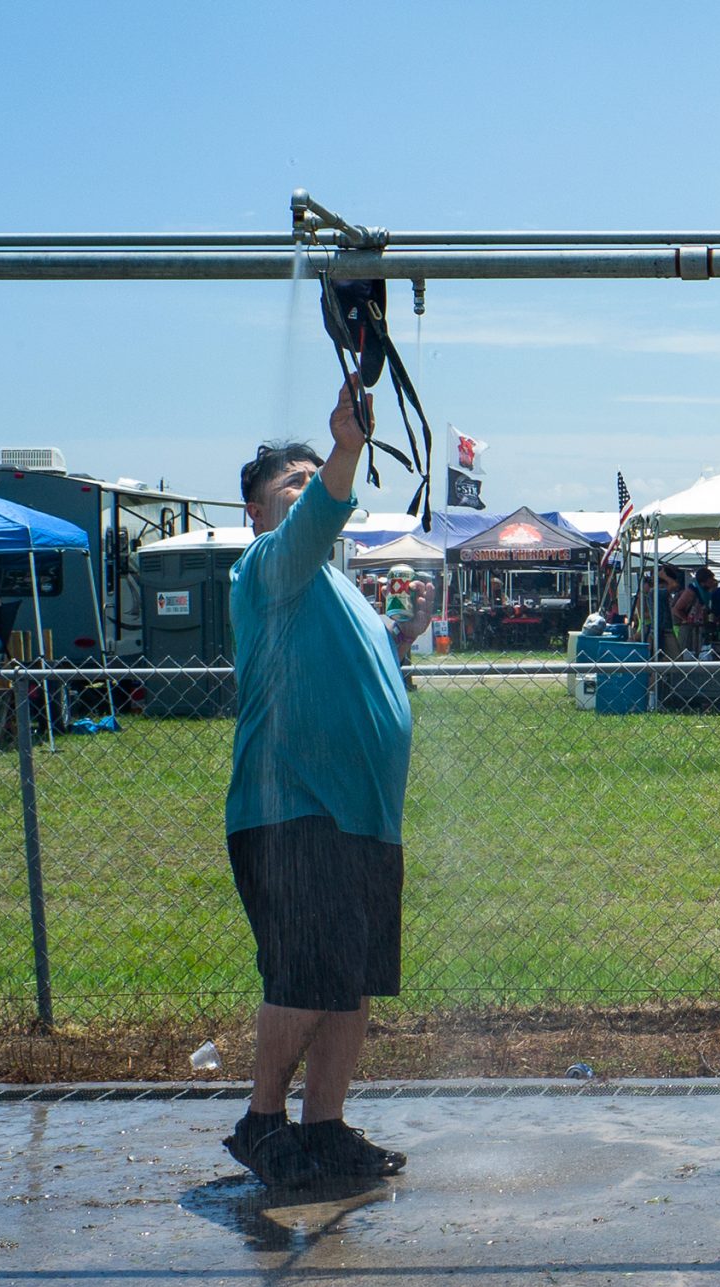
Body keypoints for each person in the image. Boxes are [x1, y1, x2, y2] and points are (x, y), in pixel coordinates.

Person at [222, 377, 412, 1190]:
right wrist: (341, 451)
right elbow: (318, 513)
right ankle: (262, 1123)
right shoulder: (271, 564)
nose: (303, 494)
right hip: (292, 809)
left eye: (309, 478)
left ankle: (325, 1127)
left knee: (349, 986)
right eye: (286, 487)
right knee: (304, 980)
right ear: (258, 514)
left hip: (361, 820)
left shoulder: (340, 588)